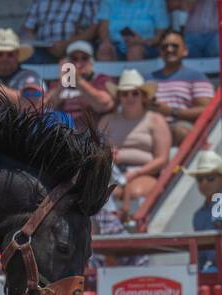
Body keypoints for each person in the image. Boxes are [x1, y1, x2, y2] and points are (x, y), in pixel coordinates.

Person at [98, 69, 168, 225]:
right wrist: (107, 155)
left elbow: (162, 159)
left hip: (146, 173)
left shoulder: (156, 120)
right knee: (104, 194)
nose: (129, 97)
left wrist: (136, 173)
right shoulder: (107, 120)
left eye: (134, 93)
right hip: (114, 174)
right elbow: (96, 151)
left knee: (136, 192)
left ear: (143, 96)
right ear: (119, 97)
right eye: (124, 94)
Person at [149, 29, 213, 145]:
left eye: (175, 46)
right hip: (149, 127)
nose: (169, 49)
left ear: (185, 51)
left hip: (178, 126)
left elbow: (207, 110)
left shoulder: (197, 77)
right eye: (165, 46)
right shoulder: (147, 78)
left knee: (180, 130)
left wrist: (171, 112)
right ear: (160, 52)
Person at [45, 40, 115, 125]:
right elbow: (45, 108)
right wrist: (62, 84)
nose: (79, 63)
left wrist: (78, 81)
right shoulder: (58, 83)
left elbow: (104, 104)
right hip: (63, 133)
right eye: (74, 59)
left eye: (84, 58)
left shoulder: (100, 79)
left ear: (91, 62)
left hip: (91, 134)